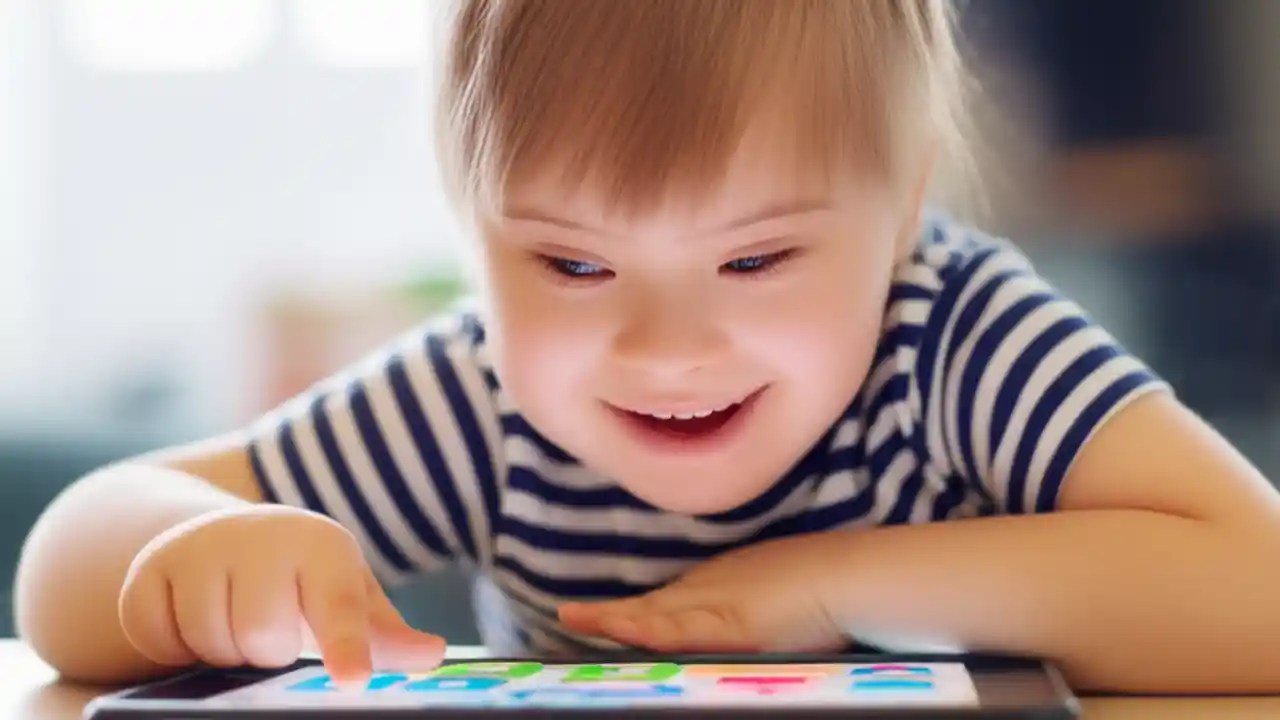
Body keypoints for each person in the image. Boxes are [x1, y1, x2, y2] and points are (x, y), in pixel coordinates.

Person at [16, 0, 1280, 695]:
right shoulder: (479, 396)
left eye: (754, 260)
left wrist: (835, 587)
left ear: (898, 216)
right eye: (569, 264)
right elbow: (67, 573)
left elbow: (1258, 594)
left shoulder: (952, 339)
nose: (664, 349)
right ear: (475, 241)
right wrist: (200, 549)